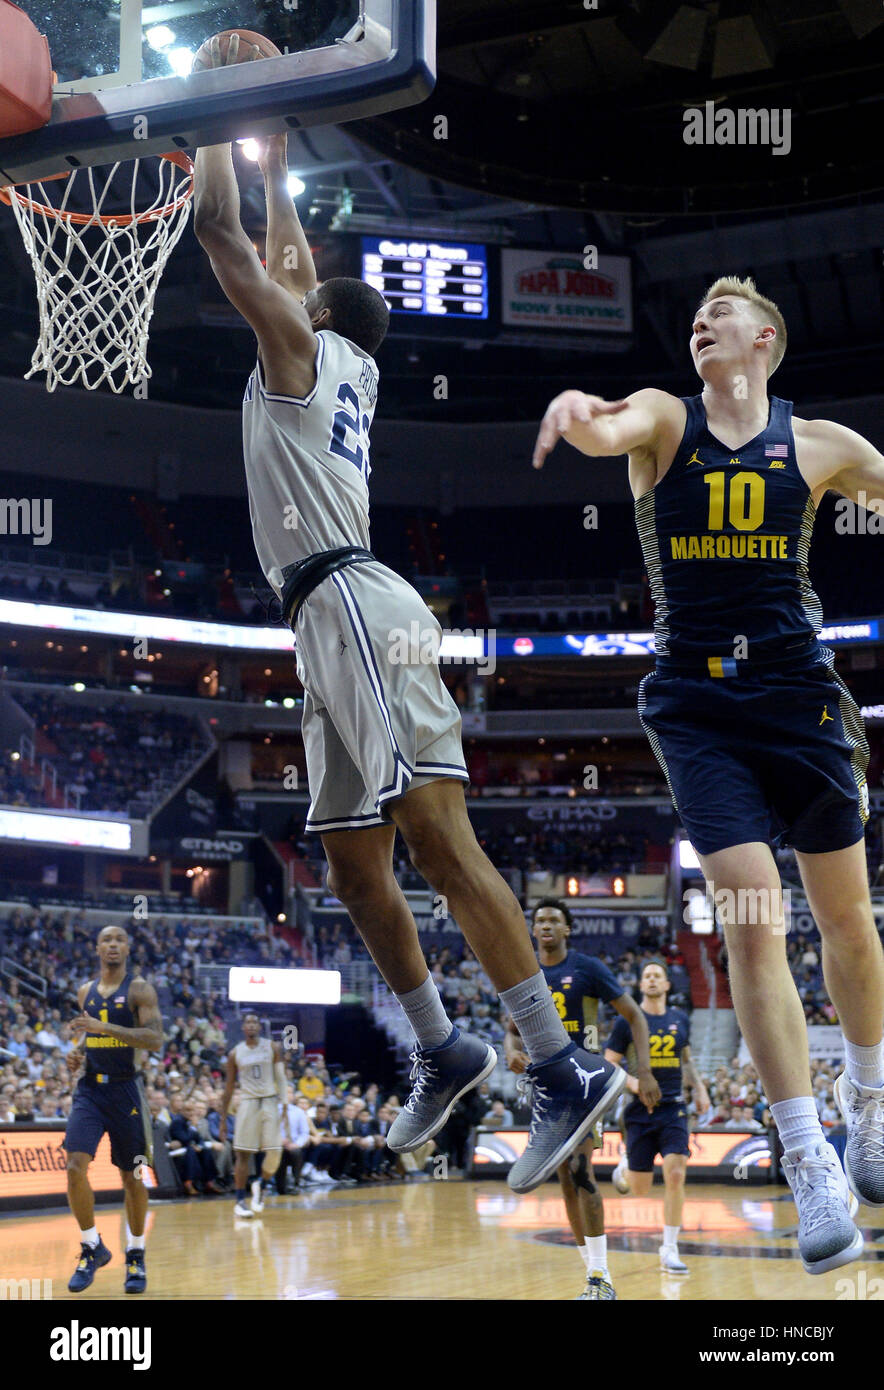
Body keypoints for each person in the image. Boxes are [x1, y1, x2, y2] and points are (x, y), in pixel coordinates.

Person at [192, 38, 626, 1197]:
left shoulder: (295, 348)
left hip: (354, 601)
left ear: (310, 312)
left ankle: (559, 1065)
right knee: (350, 862)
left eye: (300, 282)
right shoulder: (336, 359)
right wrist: (272, 143)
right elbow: (283, 246)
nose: (290, 276)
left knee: (436, 839)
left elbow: (230, 242)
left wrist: (205, 116)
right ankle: (446, 1046)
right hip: (323, 614)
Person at [534, 273, 884, 1274]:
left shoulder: (817, 443)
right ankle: (806, 1154)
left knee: (847, 926)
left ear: (763, 336)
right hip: (695, 703)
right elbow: (610, 425)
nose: (702, 319)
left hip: (797, 694)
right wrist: (579, 414)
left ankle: (866, 1103)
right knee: (748, 914)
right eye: (695, 315)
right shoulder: (660, 418)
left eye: (721, 311)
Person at [505, 899, 660, 1300]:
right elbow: (511, 1029)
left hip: (585, 1082)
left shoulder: (587, 968)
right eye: (539, 920)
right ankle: (592, 1274)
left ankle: (600, 1277)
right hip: (546, 1088)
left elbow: (634, 1016)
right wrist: (510, 1050)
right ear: (533, 929)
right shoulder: (525, 970)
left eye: (554, 920)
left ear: (568, 929)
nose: (546, 925)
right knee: (564, 1178)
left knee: (578, 1168)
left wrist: (642, 1070)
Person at [63, 925, 162, 1294]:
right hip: (90, 1089)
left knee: (132, 1176)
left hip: (126, 1090)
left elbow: (154, 1039)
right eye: (106, 940)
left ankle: (135, 1254)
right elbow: (88, 1037)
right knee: (74, 1165)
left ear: (127, 947)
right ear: (97, 948)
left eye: (119, 939)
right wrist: (77, 1055)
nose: (113, 945)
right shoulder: (85, 991)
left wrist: (102, 1026)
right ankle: (92, 1246)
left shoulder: (139, 990)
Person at [605, 960, 709, 1274]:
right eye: (646, 975)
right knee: (639, 1189)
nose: (651, 979)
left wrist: (701, 1089)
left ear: (666, 985)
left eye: (657, 976)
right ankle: (625, 1169)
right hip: (639, 1111)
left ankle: (670, 1248)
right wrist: (634, 1084)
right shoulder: (627, 1021)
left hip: (674, 1107)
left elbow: (687, 1061)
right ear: (640, 985)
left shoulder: (680, 1019)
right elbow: (609, 1064)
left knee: (676, 1174)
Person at [219, 1012, 288, 1216]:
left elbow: (282, 1078)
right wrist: (223, 1118)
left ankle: (262, 1185)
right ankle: (240, 1200)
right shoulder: (235, 1053)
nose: (251, 1025)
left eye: (254, 1022)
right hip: (247, 1102)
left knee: (275, 1152)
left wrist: (284, 1104)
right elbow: (229, 1087)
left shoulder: (272, 1047)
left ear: (259, 1026)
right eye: (247, 1022)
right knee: (243, 1153)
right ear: (243, 1028)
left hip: (269, 1099)